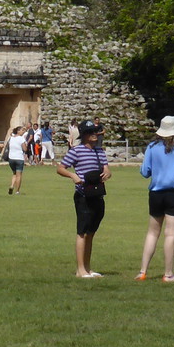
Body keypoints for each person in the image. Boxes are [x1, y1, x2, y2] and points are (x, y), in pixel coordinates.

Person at [135, 116, 174, 282]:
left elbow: (144, 171)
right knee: (170, 234)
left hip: (155, 193)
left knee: (152, 233)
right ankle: (168, 274)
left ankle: (142, 271)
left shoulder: (152, 147)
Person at [59, 118, 110, 278]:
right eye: (92, 132)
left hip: (97, 194)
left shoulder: (100, 151)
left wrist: (107, 173)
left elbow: (106, 169)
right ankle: (80, 270)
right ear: (85, 135)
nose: (96, 134)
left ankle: (88, 268)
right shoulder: (76, 151)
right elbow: (60, 168)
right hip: (82, 195)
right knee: (82, 232)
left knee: (91, 232)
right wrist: (73, 176)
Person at [4, 124, 27, 196]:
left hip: (11, 158)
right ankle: (17, 191)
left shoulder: (11, 138)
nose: (23, 132)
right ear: (18, 131)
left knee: (14, 173)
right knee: (19, 175)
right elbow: (24, 149)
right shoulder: (21, 139)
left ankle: (11, 185)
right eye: (22, 130)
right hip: (19, 158)